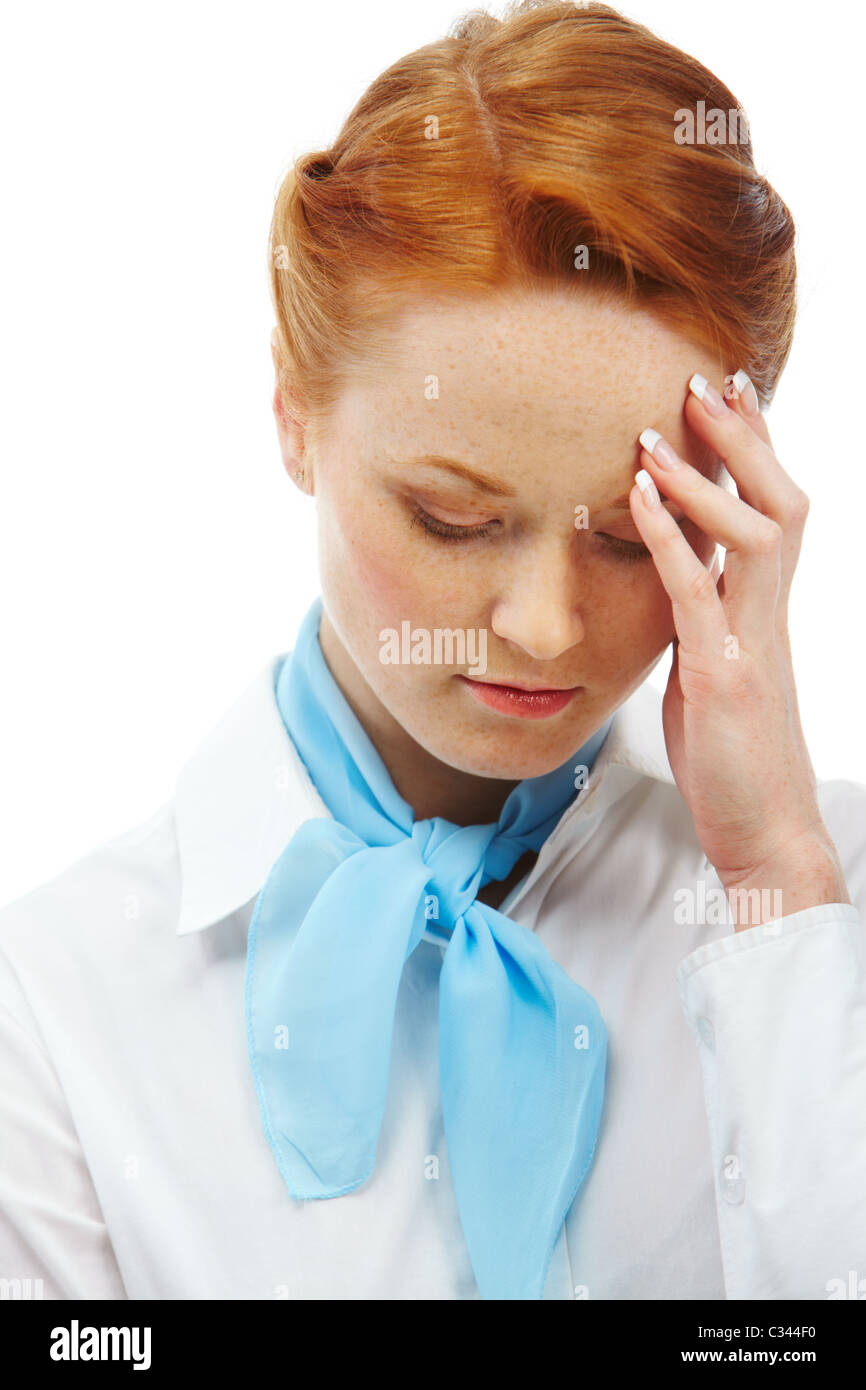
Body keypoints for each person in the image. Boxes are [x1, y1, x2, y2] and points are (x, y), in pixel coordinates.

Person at [1, 0, 864, 1302]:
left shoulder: (824, 909)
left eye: (634, 534)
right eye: (451, 517)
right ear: (292, 416)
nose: (543, 624)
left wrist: (778, 881)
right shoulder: (54, 1007)